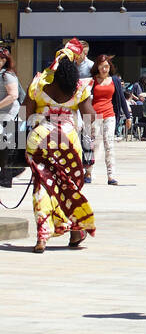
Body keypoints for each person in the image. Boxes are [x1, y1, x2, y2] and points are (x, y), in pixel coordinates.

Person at [24, 40, 96, 252]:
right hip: (68, 141)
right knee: (69, 187)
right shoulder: (80, 87)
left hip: (39, 139)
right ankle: (75, 234)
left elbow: (24, 113)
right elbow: (91, 116)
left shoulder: (38, 82)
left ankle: (42, 236)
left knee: (43, 185)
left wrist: (12, 142)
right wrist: (95, 141)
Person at [85, 54, 127, 186]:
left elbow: (121, 99)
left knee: (109, 145)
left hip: (110, 115)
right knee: (94, 145)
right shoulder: (92, 81)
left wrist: (128, 116)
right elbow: (84, 99)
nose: (105, 69)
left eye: (107, 66)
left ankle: (111, 175)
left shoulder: (114, 80)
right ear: (97, 67)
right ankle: (88, 172)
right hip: (94, 116)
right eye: (102, 66)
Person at [0, 46, 21, 187]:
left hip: (9, 115)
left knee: (6, 146)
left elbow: (14, 95)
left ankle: (7, 178)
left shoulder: (7, 75)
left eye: (2, 59)